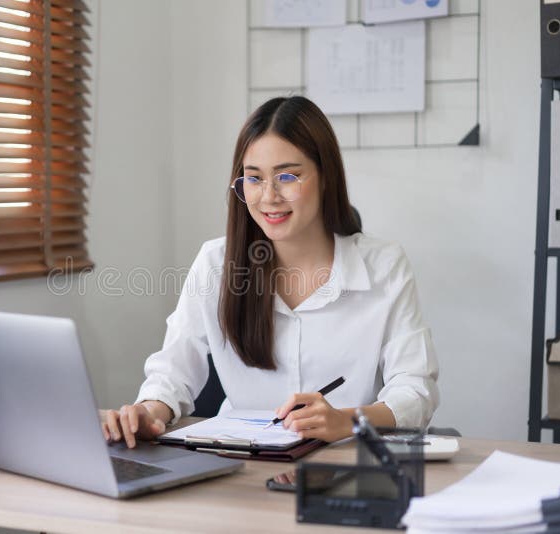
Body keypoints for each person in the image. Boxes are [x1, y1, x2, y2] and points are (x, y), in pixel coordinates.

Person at [103, 96, 439, 448]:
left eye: (288, 176)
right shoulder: (216, 263)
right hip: (237, 466)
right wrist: (149, 411)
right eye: (254, 178)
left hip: (343, 465)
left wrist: (347, 419)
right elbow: (173, 371)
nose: (268, 197)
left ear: (326, 177)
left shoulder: (384, 266)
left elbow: (416, 389)